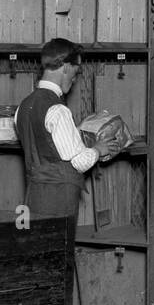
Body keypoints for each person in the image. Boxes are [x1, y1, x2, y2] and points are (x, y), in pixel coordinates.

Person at [15, 38, 122, 218]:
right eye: (77, 70)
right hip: (59, 196)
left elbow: (44, 145)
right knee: (60, 242)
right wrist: (98, 149)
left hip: (34, 191)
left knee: (39, 240)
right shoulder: (58, 110)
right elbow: (79, 162)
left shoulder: (23, 106)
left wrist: (75, 132)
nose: (75, 78)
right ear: (65, 67)